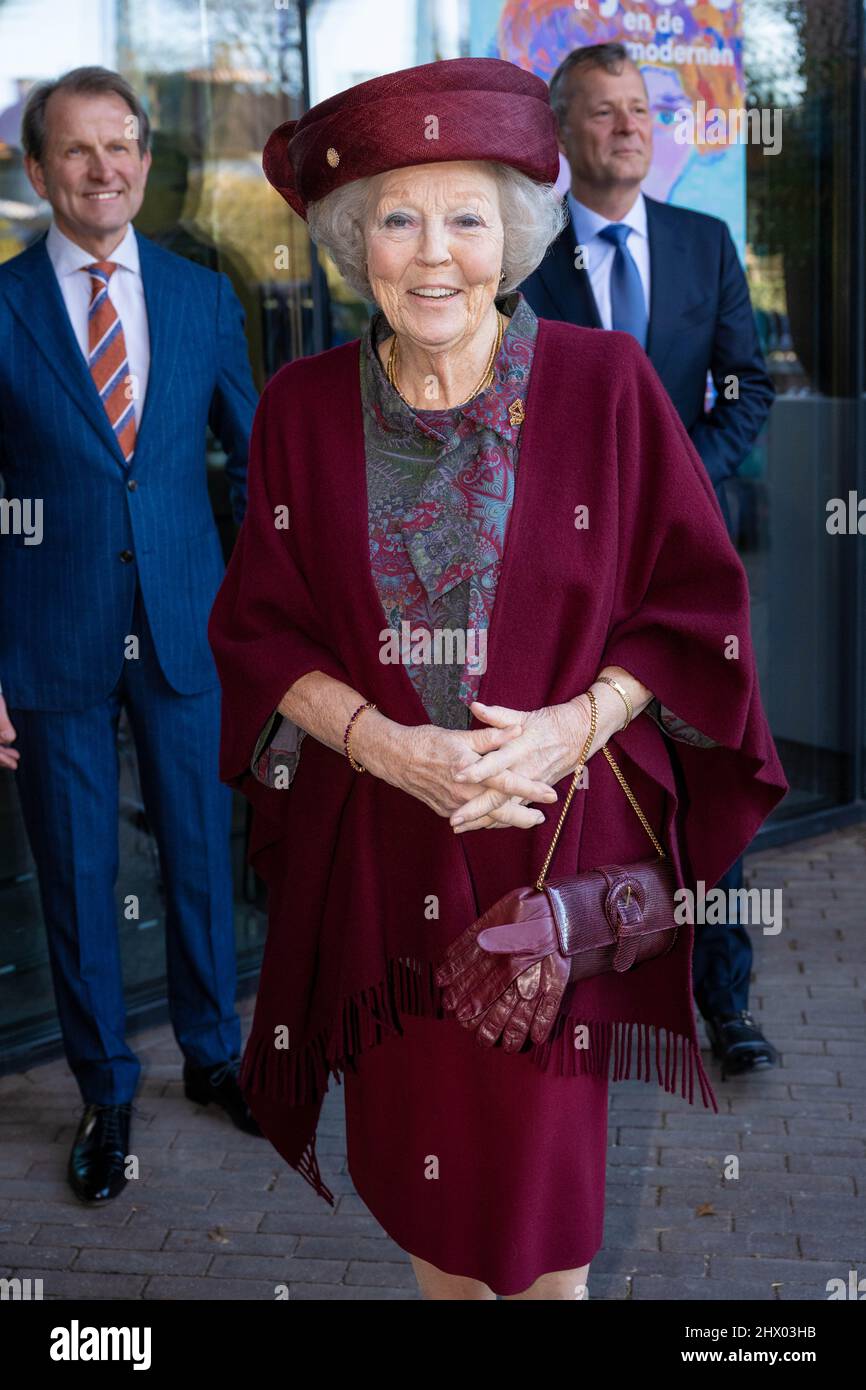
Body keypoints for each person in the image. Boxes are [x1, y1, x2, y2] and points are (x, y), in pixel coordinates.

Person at [207, 56, 788, 1301]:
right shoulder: (298, 410)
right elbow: (259, 636)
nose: (433, 253)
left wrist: (570, 727)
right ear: (356, 237)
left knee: (539, 1234)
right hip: (387, 870)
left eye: (467, 216)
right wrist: (386, 746)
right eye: (397, 216)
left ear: (515, 233)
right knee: (438, 1219)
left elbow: (694, 616)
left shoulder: (607, 388)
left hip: (546, 875)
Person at [0, 66, 261, 1207]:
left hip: (188, 629)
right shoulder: (0, 307)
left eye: (121, 147)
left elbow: (258, 470)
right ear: (36, 169)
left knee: (202, 850)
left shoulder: (204, 298)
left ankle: (212, 1056)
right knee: (76, 866)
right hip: (48, 634)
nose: (103, 169)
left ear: (146, 163)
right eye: (76, 151)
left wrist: (259, 619)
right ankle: (105, 1089)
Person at [520, 43, 778, 1079]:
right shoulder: (524, 261)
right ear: (561, 134)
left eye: (637, 110)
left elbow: (744, 389)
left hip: (683, 566)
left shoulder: (703, 244)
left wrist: (680, 476)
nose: (626, 127)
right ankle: (581, 992)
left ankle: (727, 1006)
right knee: (581, 784)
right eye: (601, 112)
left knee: (707, 764)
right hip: (570, 575)